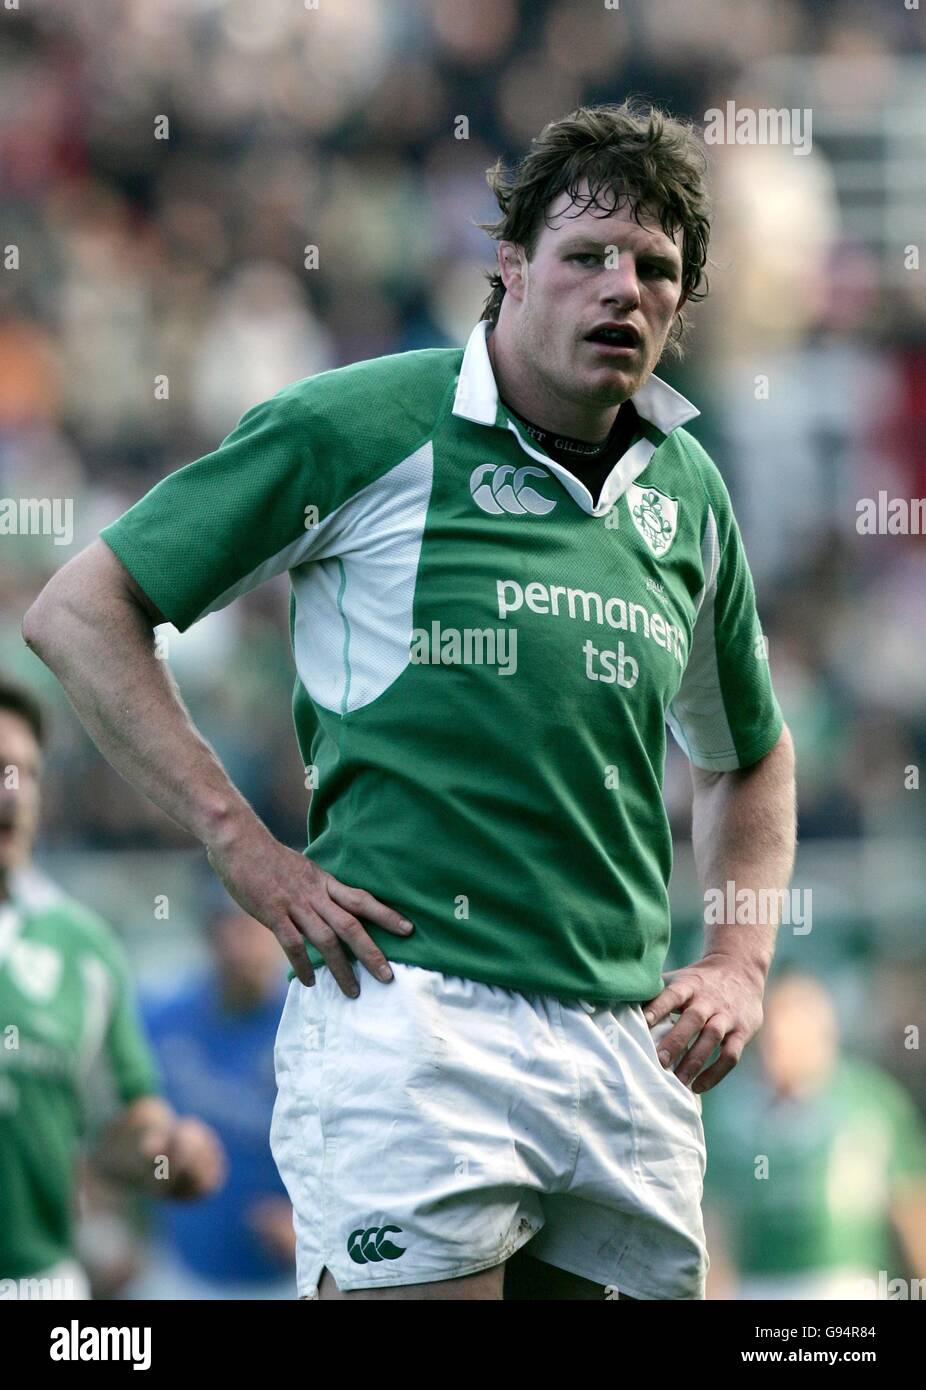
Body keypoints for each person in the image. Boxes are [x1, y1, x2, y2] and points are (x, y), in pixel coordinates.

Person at [22, 99, 796, 1301]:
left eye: (655, 269)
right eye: (586, 255)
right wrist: (239, 842)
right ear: (508, 268)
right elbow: (81, 610)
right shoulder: (366, 422)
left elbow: (747, 752)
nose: (623, 289)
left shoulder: (686, 488)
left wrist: (741, 958)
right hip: (412, 1011)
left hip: (622, 1043)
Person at [0, 680, 225, 1299]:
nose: (13, 796)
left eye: (28, 774)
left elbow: (120, 1126)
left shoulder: (83, 947)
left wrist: (165, 1154)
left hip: (37, 1287)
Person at [703, 971, 926, 1300]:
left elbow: (912, 1209)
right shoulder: (724, 1110)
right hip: (757, 1289)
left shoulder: (873, 1101)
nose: (782, 1040)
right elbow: (714, 1224)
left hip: (849, 1286)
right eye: (775, 1028)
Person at [129, 890, 296, 1299]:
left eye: (254, 930)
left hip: (285, 1279)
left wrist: (318, 1226)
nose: (242, 947)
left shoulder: (306, 1023)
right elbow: (119, 1116)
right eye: (229, 929)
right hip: (180, 1272)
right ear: (208, 937)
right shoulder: (161, 1017)